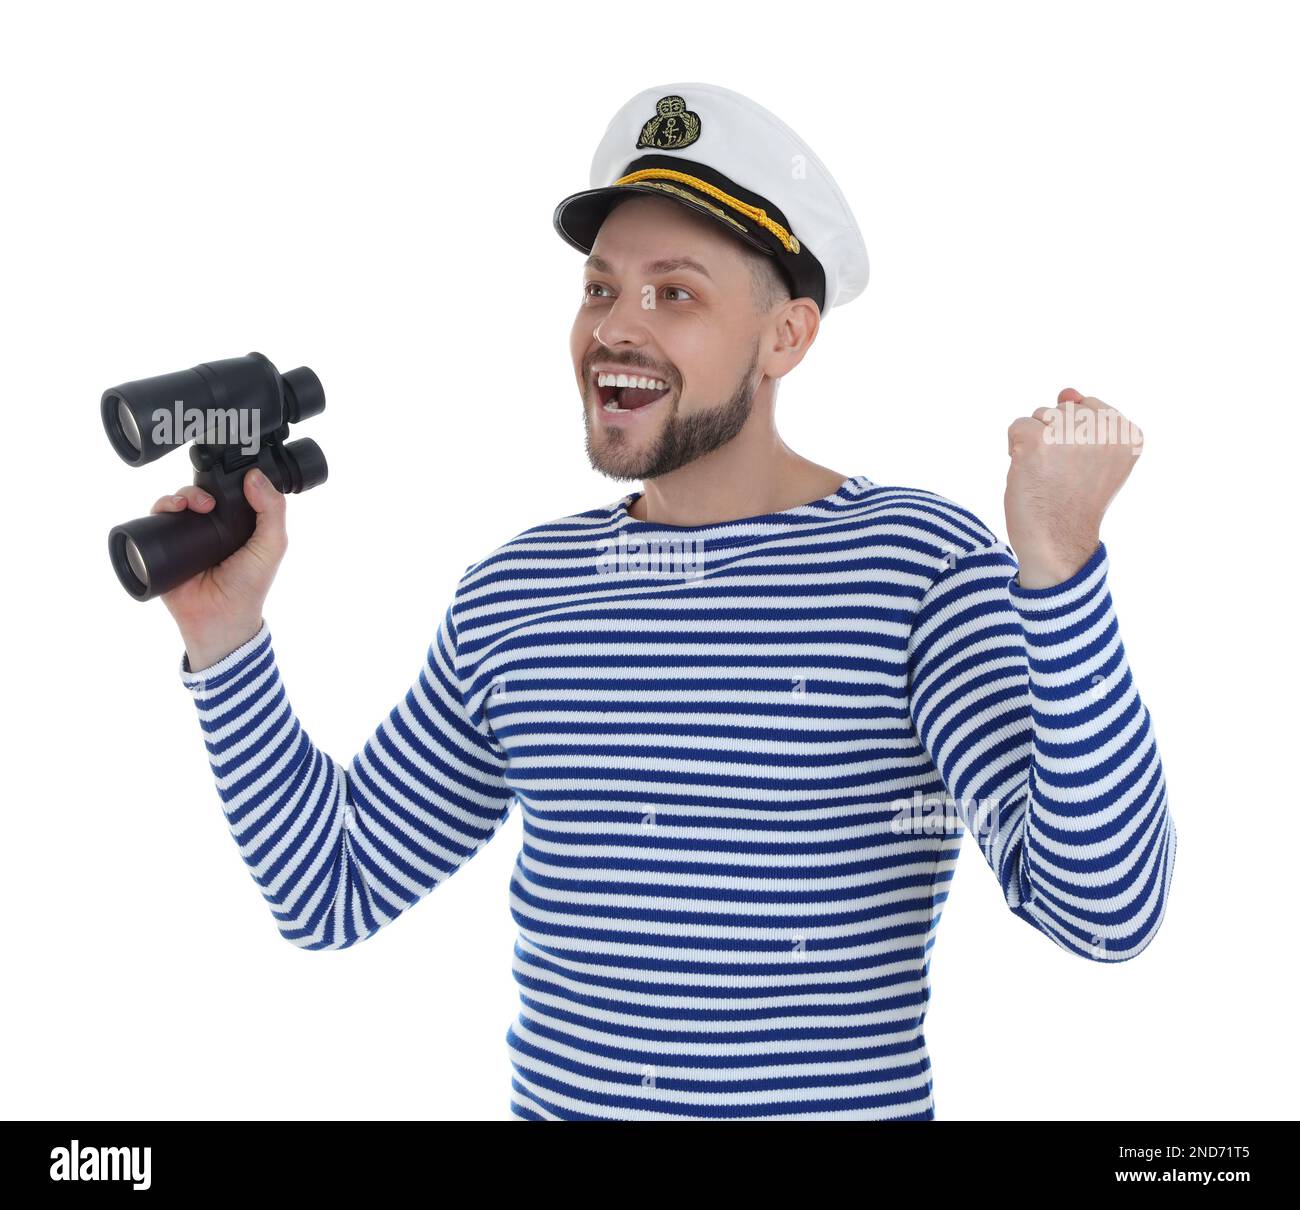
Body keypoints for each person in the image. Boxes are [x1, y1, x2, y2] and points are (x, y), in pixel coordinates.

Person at [158, 82, 1177, 1120]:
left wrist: (1059, 569)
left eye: (674, 293)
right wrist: (226, 637)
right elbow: (332, 888)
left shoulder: (918, 571)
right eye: (600, 290)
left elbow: (1104, 911)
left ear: (785, 337)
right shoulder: (518, 596)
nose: (616, 329)